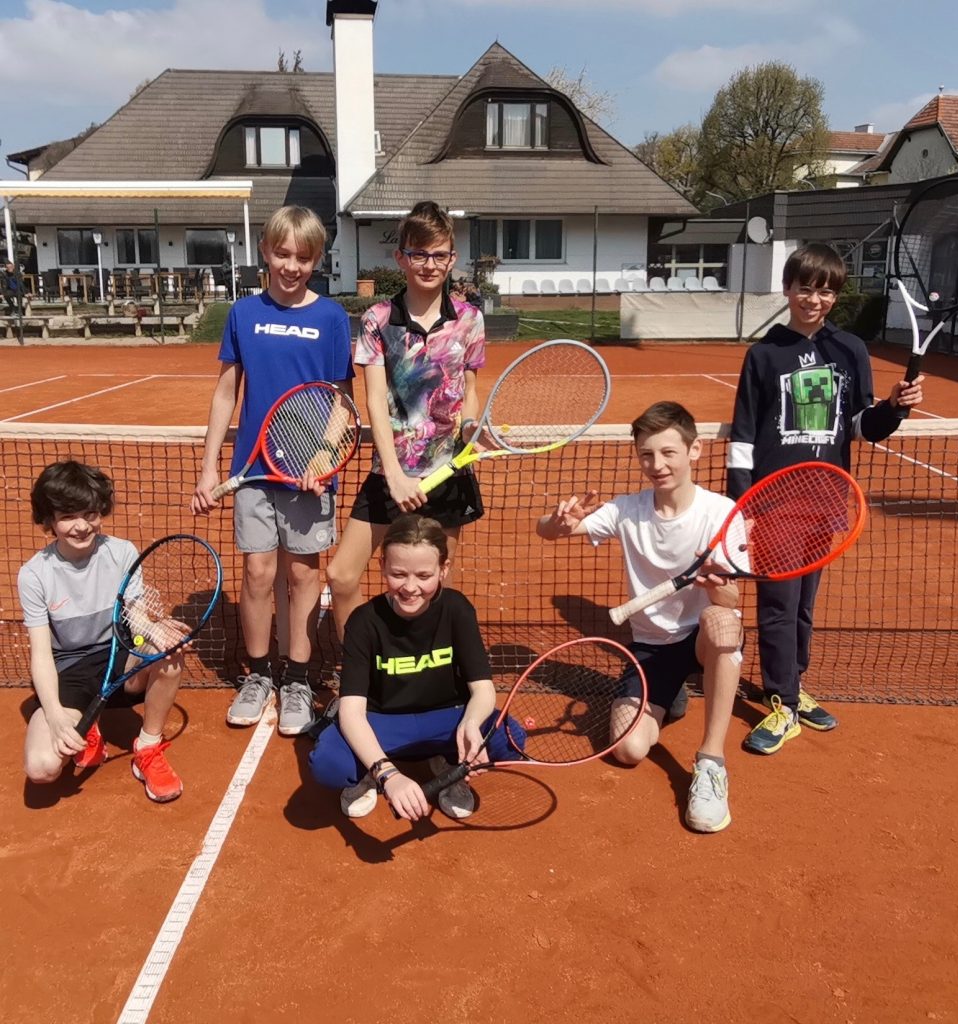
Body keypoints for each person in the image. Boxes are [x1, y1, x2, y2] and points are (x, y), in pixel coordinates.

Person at [727, 242, 924, 755]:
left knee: (803, 606)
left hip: (826, 497)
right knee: (778, 604)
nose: (814, 299)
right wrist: (740, 507)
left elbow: (861, 426)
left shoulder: (850, 350)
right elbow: (743, 436)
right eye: (805, 288)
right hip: (773, 501)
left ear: (835, 296)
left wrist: (894, 407)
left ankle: (793, 684)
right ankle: (783, 703)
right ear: (788, 288)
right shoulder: (764, 354)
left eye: (826, 291)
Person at [536, 401, 744, 833]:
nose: (657, 465)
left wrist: (716, 583)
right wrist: (558, 523)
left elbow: (730, 598)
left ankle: (711, 762)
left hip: (702, 637)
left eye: (668, 452)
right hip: (652, 645)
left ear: (694, 450)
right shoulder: (627, 510)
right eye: (647, 454)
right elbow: (547, 531)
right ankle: (672, 696)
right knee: (629, 750)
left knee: (722, 621)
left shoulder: (722, 512)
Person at [190, 206, 355, 736]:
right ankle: (260, 674)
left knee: (303, 575)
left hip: (310, 472)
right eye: (282, 254)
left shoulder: (331, 318)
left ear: (317, 260)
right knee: (259, 574)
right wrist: (209, 467)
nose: (291, 266)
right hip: (253, 468)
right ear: (265, 251)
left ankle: (298, 679)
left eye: (303, 258)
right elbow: (226, 393)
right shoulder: (242, 314)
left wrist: (323, 457)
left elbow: (340, 399)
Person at [326, 201, 485, 644]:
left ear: (452, 258)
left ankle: (425, 671)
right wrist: (394, 474)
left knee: (435, 589)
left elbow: (470, 391)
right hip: (391, 476)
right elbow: (375, 401)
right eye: (419, 254)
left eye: (439, 255)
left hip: (447, 475)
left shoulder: (469, 320)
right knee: (341, 576)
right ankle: (358, 668)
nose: (429, 264)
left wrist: (470, 428)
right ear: (402, 257)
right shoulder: (377, 320)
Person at [310, 514, 522, 821]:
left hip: (447, 718)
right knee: (329, 764)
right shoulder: (364, 622)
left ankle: (449, 765)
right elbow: (352, 712)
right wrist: (388, 774)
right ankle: (370, 770)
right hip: (384, 721)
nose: (410, 587)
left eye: (424, 575)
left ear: (443, 569)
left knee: (509, 739)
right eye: (398, 574)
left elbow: (483, 690)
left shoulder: (457, 609)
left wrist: (471, 723)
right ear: (382, 565)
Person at [20, 461, 185, 802]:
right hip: (69, 674)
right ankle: (84, 720)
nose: (81, 526)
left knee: (169, 650)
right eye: (68, 516)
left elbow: (136, 618)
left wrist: (155, 630)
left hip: (119, 660)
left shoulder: (121, 553)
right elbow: (42, 655)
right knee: (42, 768)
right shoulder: (34, 575)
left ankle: (148, 748)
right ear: (49, 520)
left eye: (90, 513)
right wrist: (55, 716)